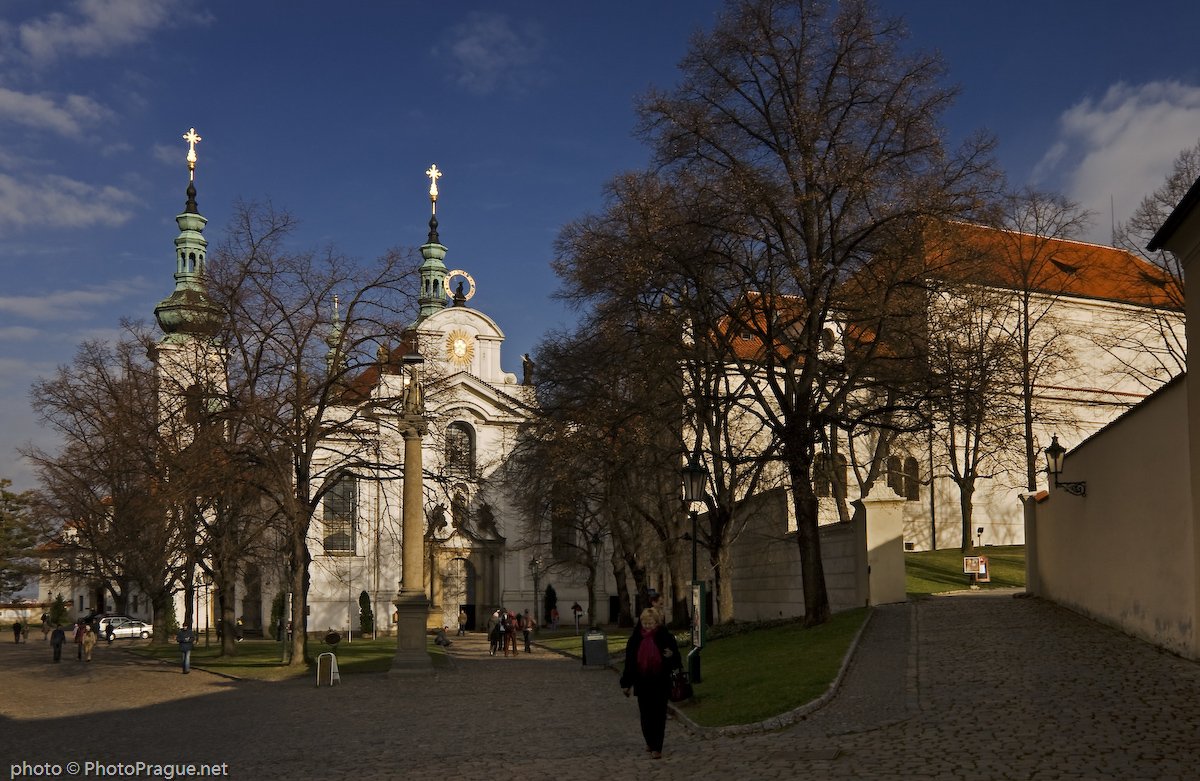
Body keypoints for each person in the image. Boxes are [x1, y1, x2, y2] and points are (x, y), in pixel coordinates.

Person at [620, 608, 682, 760]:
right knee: (646, 714)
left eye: (651, 623)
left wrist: (671, 655)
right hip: (642, 681)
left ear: (657, 623)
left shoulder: (665, 637)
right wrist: (626, 684)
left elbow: (676, 659)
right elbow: (630, 663)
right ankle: (649, 740)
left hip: (661, 681)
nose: (647, 626)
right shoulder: (635, 639)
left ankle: (657, 747)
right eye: (645, 623)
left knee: (659, 715)